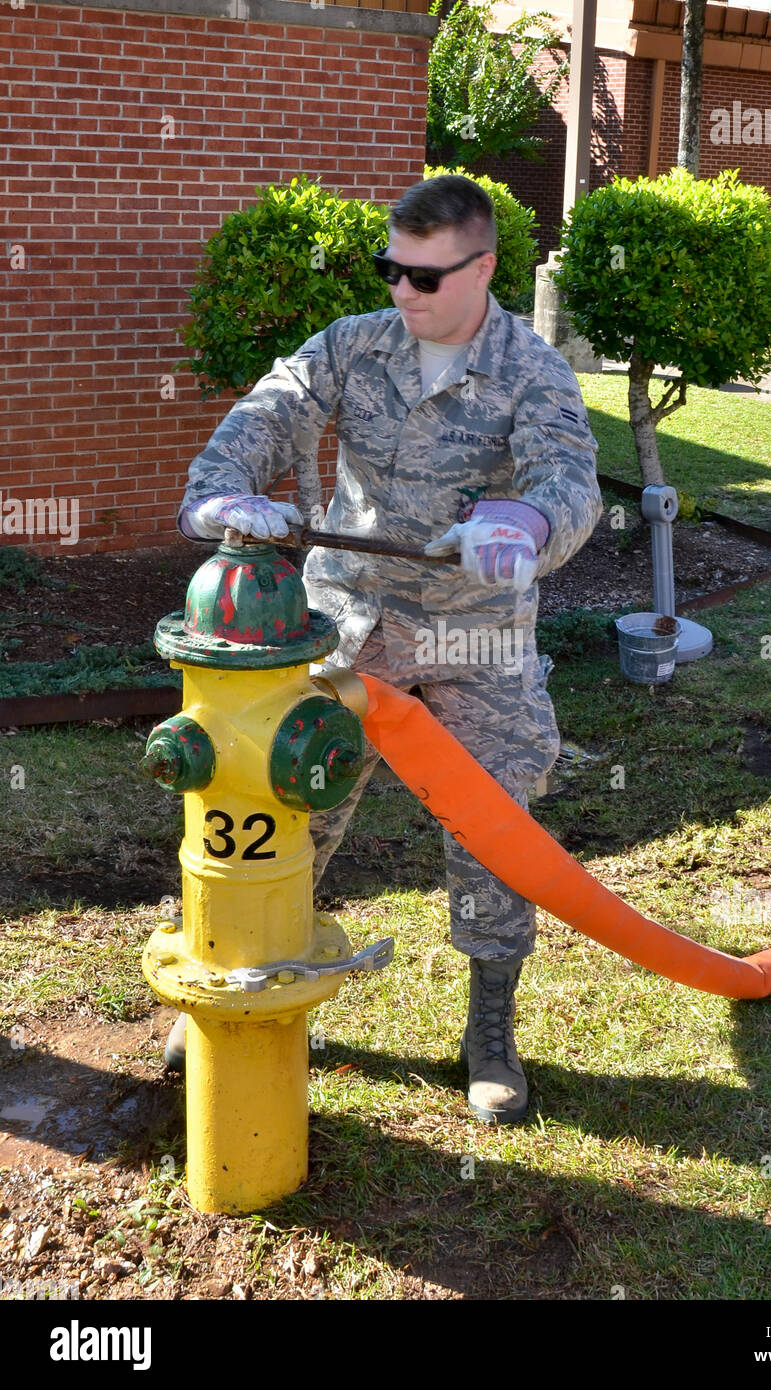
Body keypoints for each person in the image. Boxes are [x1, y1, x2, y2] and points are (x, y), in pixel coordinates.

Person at [170, 174, 602, 1124]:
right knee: (291, 805)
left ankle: (489, 1030)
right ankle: (242, 969)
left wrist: (526, 521)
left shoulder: (533, 371)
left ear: (482, 266)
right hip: (351, 627)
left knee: (491, 832)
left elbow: (569, 474)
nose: (402, 292)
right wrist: (225, 489)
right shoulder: (357, 344)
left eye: (424, 276)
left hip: (473, 635)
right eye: (389, 270)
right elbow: (270, 409)